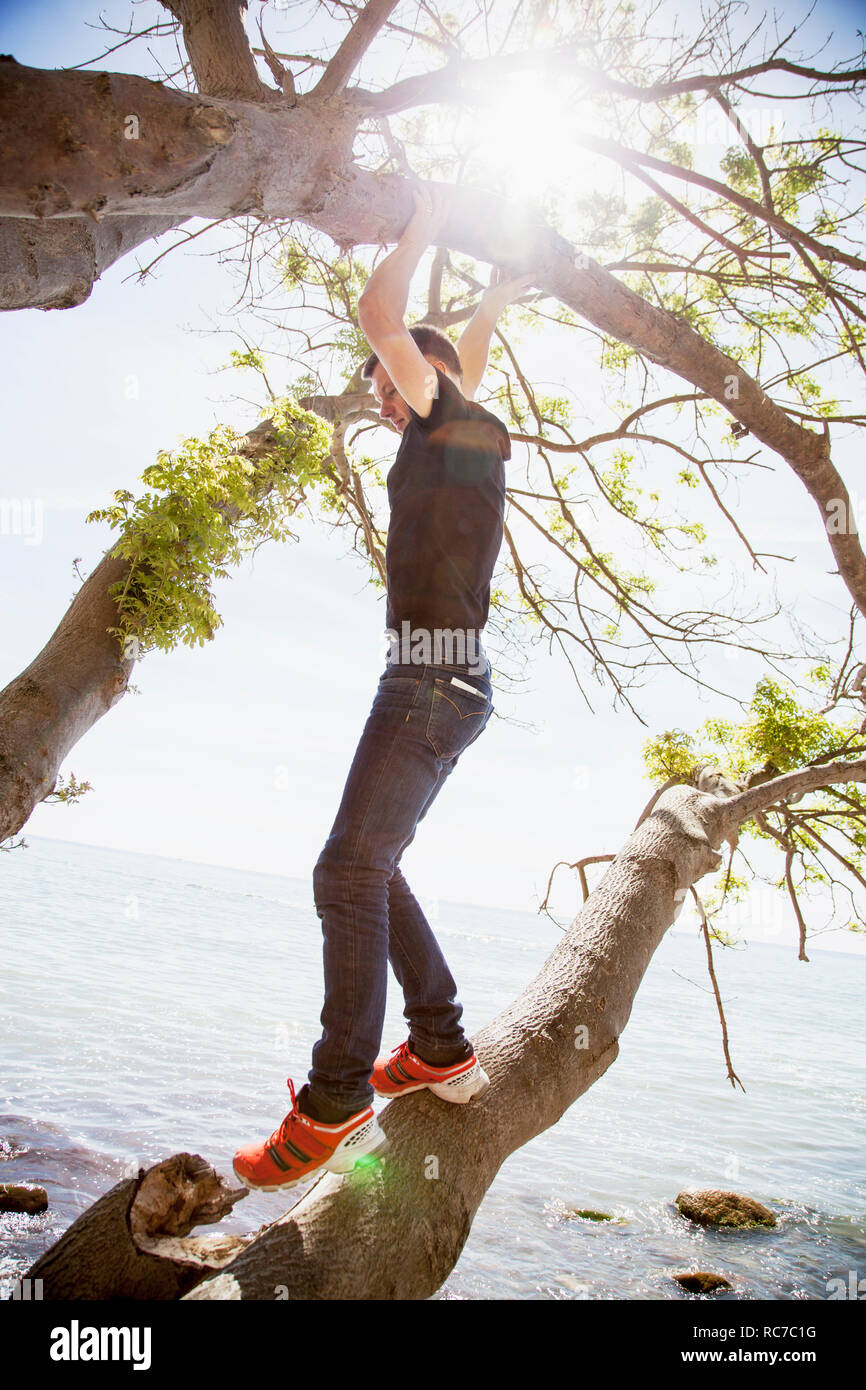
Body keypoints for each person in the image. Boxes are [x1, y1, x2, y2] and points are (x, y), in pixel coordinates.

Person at [233, 188, 533, 1192]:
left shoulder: (445, 409)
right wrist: (498, 289)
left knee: (343, 873)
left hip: (426, 674)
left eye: (388, 386)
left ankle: (334, 1101)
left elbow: (382, 319)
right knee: (375, 863)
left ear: (425, 374)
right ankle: (440, 1046)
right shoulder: (467, 428)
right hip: (454, 679)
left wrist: (427, 221)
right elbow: (470, 351)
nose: (379, 397)